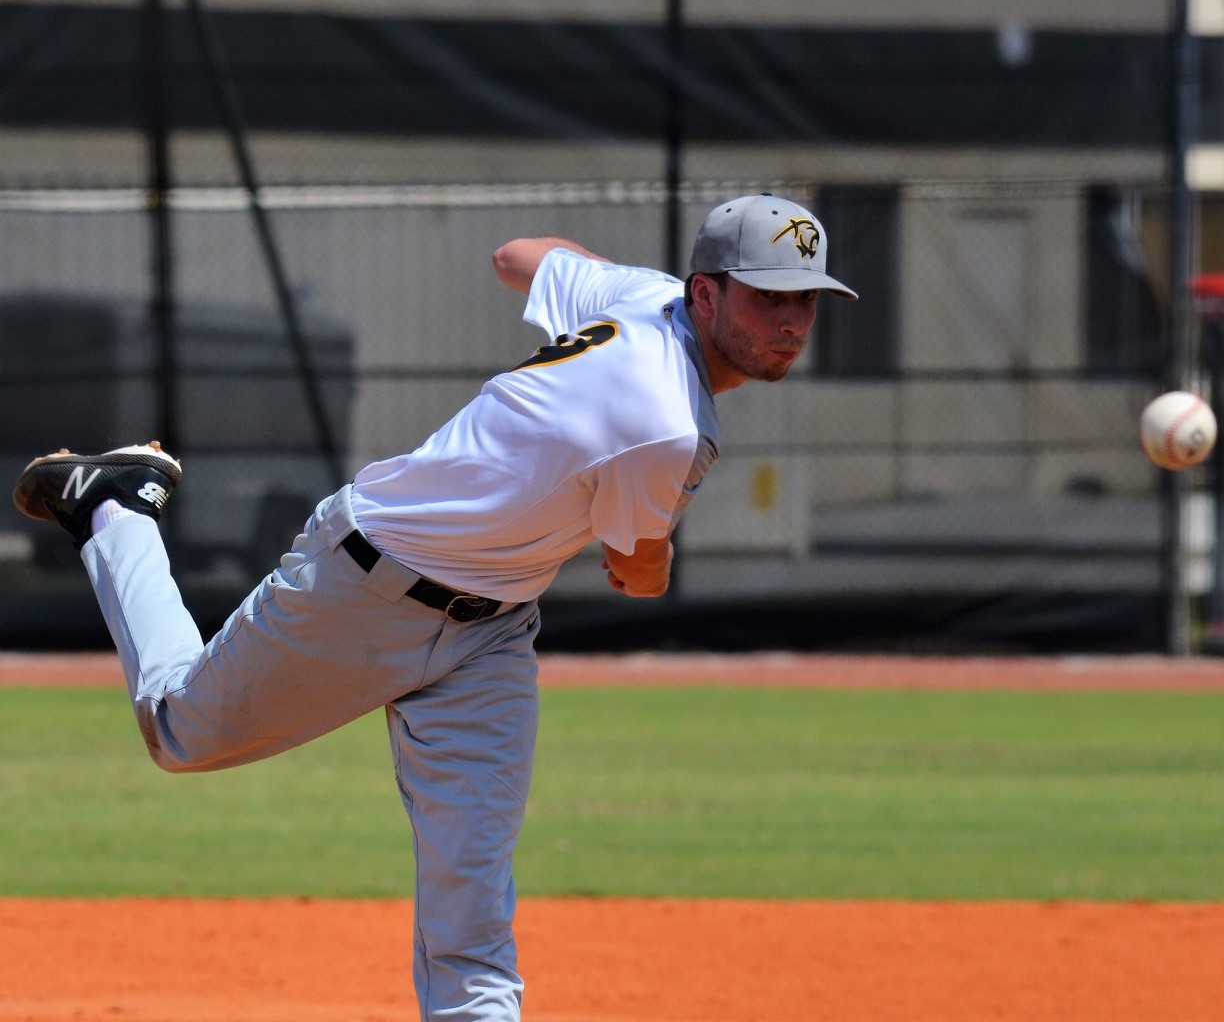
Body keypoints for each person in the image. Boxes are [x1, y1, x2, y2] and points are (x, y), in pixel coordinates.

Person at [12, 192, 856, 1022]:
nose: (791, 318)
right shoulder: (669, 427)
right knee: (179, 731)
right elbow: (637, 576)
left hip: (491, 636)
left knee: (472, 917)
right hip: (365, 585)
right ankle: (114, 504)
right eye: (767, 294)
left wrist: (602, 282)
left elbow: (515, 256)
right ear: (707, 293)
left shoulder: (642, 295)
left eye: (805, 298)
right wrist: (658, 533)